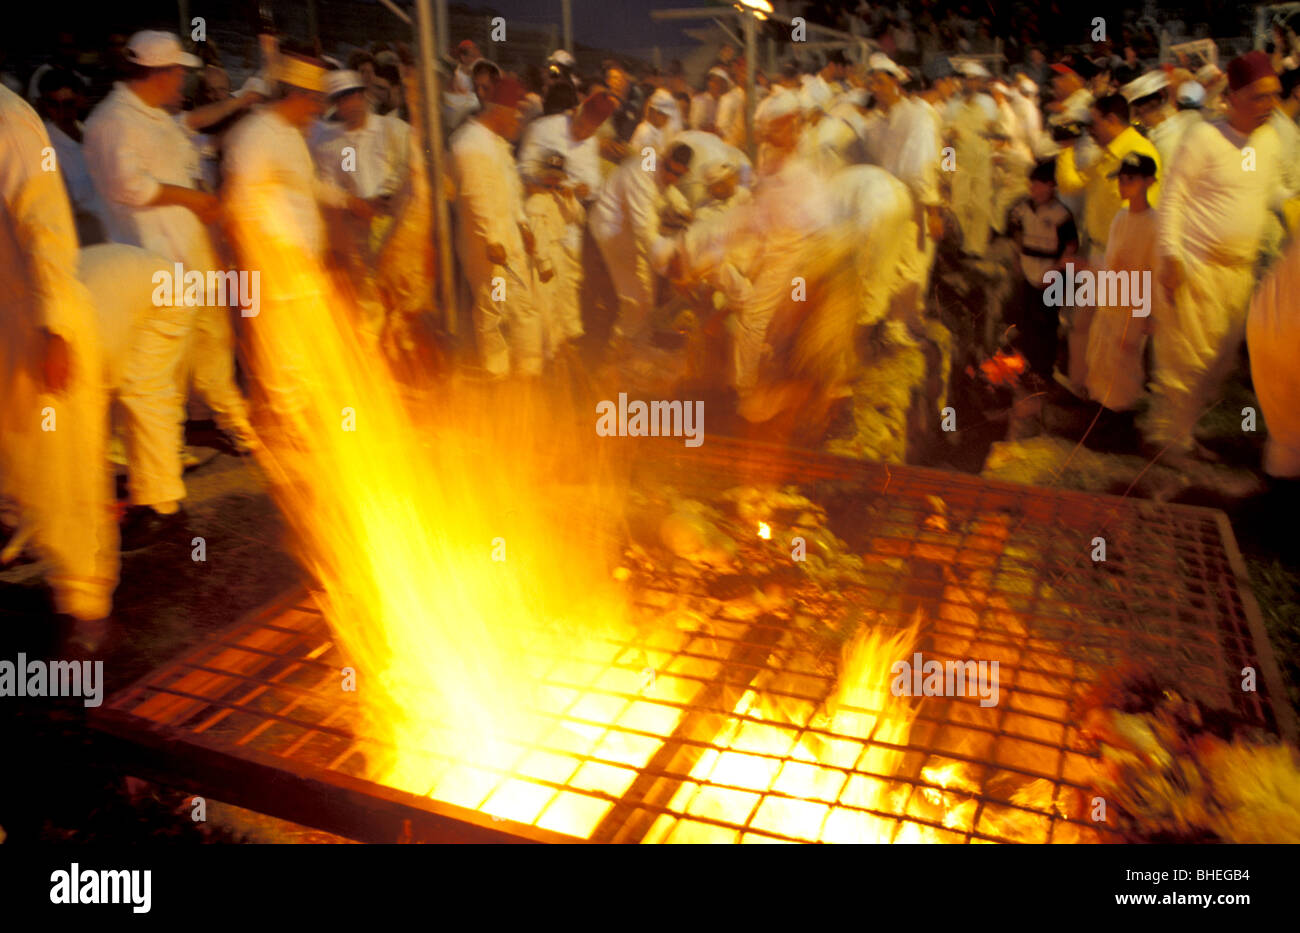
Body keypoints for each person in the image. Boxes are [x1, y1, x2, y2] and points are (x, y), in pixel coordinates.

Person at [82, 30, 258, 464]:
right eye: (177, 71)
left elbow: (188, 126)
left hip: (192, 255)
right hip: (153, 260)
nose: (183, 80)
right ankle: (140, 453)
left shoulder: (155, 115)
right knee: (163, 363)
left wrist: (240, 102)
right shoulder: (111, 121)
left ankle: (234, 423)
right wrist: (195, 198)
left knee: (213, 340)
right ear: (157, 73)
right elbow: (131, 188)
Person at [0, 82, 118, 628]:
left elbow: (44, 222)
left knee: (64, 471)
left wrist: (53, 328)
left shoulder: (10, 121)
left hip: (40, 320)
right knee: (21, 465)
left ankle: (84, 609)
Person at [223, 52, 376, 420]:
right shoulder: (255, 135)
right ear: (298, 96)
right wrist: (277, 252)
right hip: (277, 269)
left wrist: (346, 200)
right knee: (284, 354)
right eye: (316, 101)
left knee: (309, 351)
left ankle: (303, 426)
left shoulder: (290, 135)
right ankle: (285, 428)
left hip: (303, 267)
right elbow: (241, 203)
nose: (318, 110)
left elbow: (305, 184)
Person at [1151, 51, 1285, 464]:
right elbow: (1172, 199)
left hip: (1240, 274)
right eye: (1260, 97)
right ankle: (1165, 440)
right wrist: (1171, 256)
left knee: (1218, 364)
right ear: (1233, 97)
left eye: (1274, 96)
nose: (1270, 106)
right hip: (1197, 268)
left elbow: (1267, 191)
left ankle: (1184, 434)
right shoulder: (1204, 139)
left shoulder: (1269, 141)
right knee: (1184, 359)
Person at [449, 76, 542, 377]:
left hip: (510, 241)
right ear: (499, 111)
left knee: (524, 307)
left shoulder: (498, 144)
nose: (517, 121)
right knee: (495, 310)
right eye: (514, 113)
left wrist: (524, 226)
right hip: (489, 248)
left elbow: (511, 191)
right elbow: (475, 196)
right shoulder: (469, 143)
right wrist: (491, 239)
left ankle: (529, 371)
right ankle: (497, 374)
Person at [311, 69, 410, 343]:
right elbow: (337, 182)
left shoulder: (393, 129)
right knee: (369, 293)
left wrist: (385, 197)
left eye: (353, 96)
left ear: (362, 95)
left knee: (403, 292)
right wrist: (353, 204)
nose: (349, 104)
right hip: (361, 229)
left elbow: (408, 166)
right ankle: (373, 354)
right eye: (341, 99)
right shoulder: (332, 143)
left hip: (398, 224)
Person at [1084, 153, 1158, 449]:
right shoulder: (1120, 218)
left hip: (1133, 304)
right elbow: (1113, 262)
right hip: (1112, 302)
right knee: (1102, 358)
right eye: (1121, 179)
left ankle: (1120, 428)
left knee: (1124, 365)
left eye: (1130, 179)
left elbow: (1153, 273)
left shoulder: (1155, 224)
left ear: (1148, 182)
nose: (1123, 186)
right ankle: (1104, 418)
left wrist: (1147, 315)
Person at [590, 141, 693, 354]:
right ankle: (617, 349)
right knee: (635, 298)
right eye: (670, 170)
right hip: (612, 231)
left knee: (647, 295)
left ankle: (637, 346)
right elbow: (644, 230)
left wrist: (683, 208)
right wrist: (671, 264)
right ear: (664, 160)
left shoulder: (656, 167)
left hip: (631, 232)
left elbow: (666, 189)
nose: (672, 177)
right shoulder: (642, 175)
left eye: (679, 174)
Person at [1006, 158, 1078, 381]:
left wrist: (1056, 270)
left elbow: (1071, 246)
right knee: (1027, 319)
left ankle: (1044, 370)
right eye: (1032, 184)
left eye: (1040, 184)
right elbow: (1015, 233)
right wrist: (1018, 259)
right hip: (1028, 270)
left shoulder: (1062, 214)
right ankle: (1027, 364)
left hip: (1052, 274)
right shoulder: (1021, 209)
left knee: (1047, 322)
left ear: (1051, 186)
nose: (1034, 189)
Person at [36, 67, 108, 244]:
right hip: (81, 236)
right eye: (53, 104)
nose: (61, 111)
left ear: (80, 100)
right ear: (43, 104)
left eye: (68, 103)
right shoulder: (43, 144)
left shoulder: (93, 134)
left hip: (111, 228)